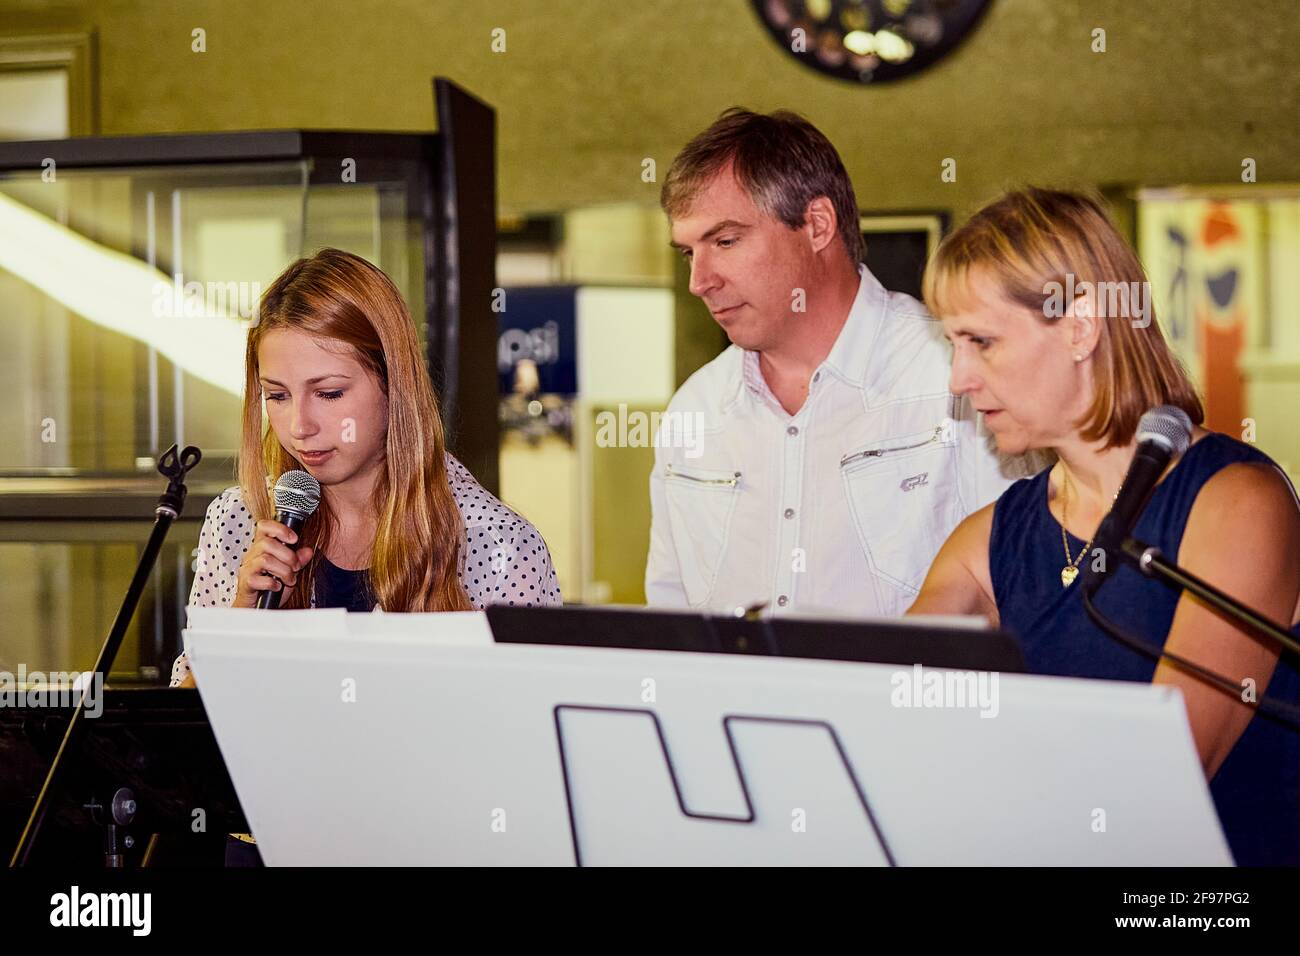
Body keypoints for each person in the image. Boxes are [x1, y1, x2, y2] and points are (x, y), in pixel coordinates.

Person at [909, 186, 1300, 866]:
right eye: (953, 345)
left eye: (981, 341)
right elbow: (890, 706)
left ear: (1081, 326)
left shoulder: (1236, 502)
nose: (960, 379)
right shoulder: (987, 541)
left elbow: (1165, 776)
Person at [168, 248, 561, 863]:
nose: (299, 425)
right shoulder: (239, 521)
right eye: (275, 395)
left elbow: (534, 775)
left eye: (328, 393)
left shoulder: (497, 545)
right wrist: (238, 624)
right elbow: (177, 747)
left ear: (392, 384)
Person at [646, 108, 1025, 617]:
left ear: (818, 225)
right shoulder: (694, 410)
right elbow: (671, 623)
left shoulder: (956, 378)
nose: (700, 280)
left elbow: (1021, 597)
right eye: (688, 253)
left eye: (725, 241)